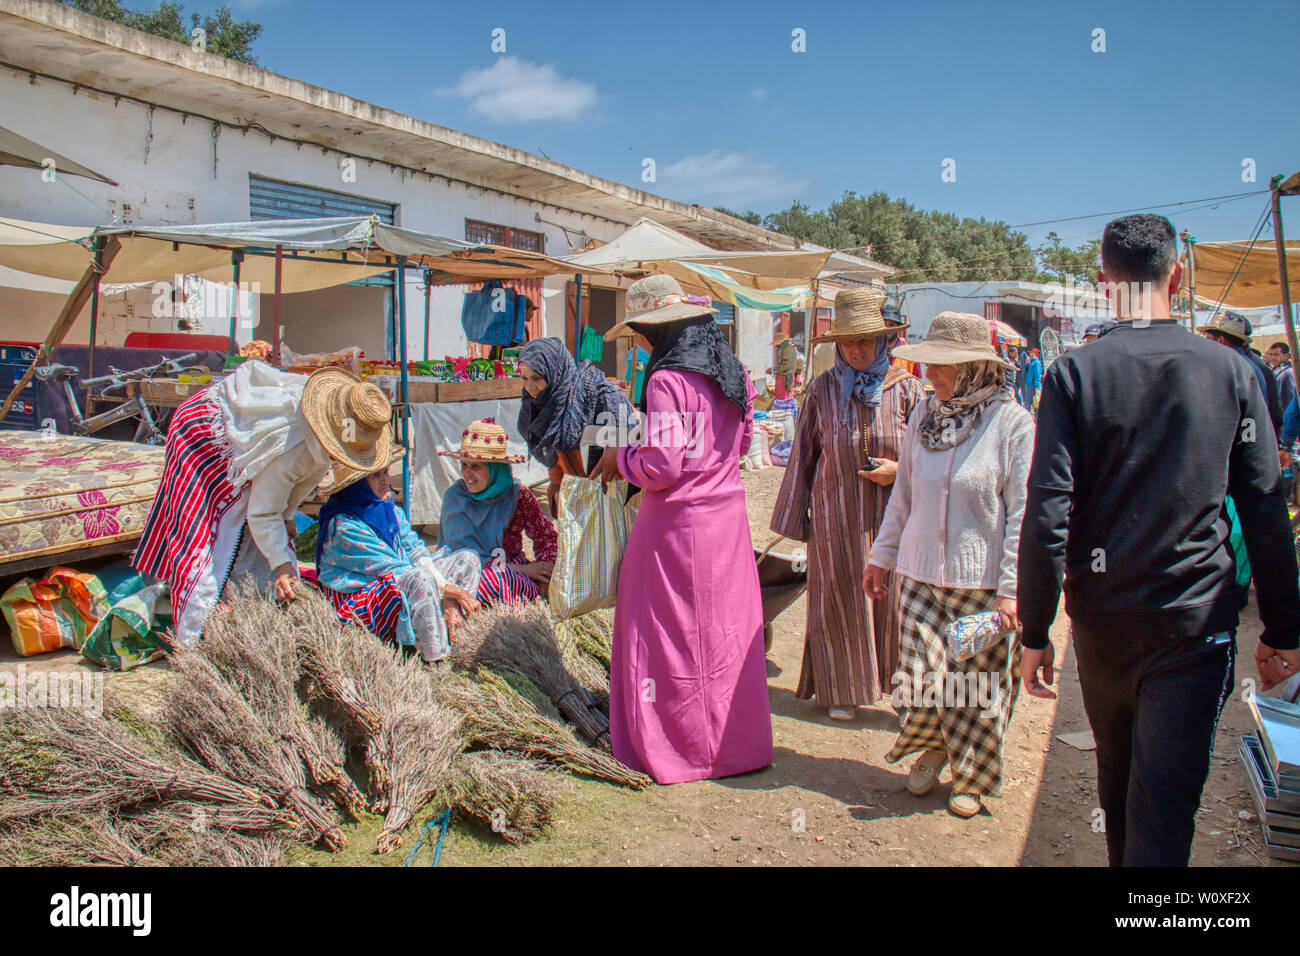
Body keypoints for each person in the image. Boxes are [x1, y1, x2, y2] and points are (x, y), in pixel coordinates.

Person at [1018, 213, 1300, 867]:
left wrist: (1036, 632)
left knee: (1118, 785)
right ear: (1176, 276)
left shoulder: (1072, 376)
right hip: (1195, 628)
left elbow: (1046, 513)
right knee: (1164, 808)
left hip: (1103, 623)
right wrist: (1283, 630)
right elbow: (1264, 508)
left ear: (1103, 283)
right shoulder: (1234, 375)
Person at [591, 274, 772, 784]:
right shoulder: (734, 371)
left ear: (657, 330)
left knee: (667, 636)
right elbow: (740, 448)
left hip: (673, 527)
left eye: (643, 334)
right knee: (724, 637)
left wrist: (622, 455)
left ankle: (681, 749)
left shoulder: (667, 380)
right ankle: (735, 747)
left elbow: (664, 465)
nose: (642, 343)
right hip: (728, 524)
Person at [863, 312, 1033, 819]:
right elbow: (904, 494)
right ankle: (935, 747)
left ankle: (971, 776)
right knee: (920, 677)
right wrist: (882, 556)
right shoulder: (925, 416)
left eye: (944, 367)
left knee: (975, 685)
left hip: (980, 587)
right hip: (918, 577)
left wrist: (1012, 589)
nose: (930, 375)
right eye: (930, 364)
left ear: (977, 367)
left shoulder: (1013, 424)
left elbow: (1024, 512)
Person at [134, 361, 392, 644]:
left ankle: (237, 601)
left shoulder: (328, 439)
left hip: (271, 453)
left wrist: (289, 514)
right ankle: (196, 626)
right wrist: (282, 565)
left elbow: (306, 478)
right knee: (206, 532)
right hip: (202, 430)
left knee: (260, 536)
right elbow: (262, 512)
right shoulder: (290, 448)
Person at [771, 288, 923, 721]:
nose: (856, 350)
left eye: (866, 340)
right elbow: (802, 454)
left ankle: (903, 691)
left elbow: (929, 457)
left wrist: (901, 470)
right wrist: (794, 519)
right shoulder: (821, 390)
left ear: (884, 342)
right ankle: (842, 688)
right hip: (836, 517)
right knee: (838, 595)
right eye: (848, 341)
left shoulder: (909, 390)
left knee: (896, 602)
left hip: (896, 519)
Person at [315, 450, 481, 662]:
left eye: (386, 472)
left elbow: (415, 549)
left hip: (404, 581)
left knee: (468, 558)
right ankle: (435, 660)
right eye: (377, 475)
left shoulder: (389, 510)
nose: (387, 480)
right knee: (420, 579)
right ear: (356, 485)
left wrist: (450, 601)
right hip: (362, 602)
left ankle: (454, 626)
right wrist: (452, 592)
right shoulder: (344, 527)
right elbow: (397, 571)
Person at [436, 418, 558, 605]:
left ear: (495, 469)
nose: (467, 474)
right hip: (466, 574)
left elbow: (546, 536)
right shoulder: (456, 499)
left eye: (476, 466)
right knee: (491, 585)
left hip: (512, 571)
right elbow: (463, 559)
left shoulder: (517, 496)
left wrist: (546, 573)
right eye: (464, 465)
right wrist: (524, 571)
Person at [517, 337, 635, 517]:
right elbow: (553, 452)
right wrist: (557, 489)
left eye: (536, 378)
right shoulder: (542, 403)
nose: (530, 387)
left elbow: (629, 439)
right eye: (524, 378)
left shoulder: (597, 395)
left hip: (612, 494)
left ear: (554, 373)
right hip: (575, 499)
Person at [1198, 312, 1284, 438]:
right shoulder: (1245, 365)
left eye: (1208, 339)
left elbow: (1251, 418)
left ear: (1220, 340)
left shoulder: (1237, 368)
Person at [769, 331, 797, 399]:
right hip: (785, 376)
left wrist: (773, 370)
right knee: (784, 397)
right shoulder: (786, 348)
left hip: (785, 378)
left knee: (783, 398)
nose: (776, 346)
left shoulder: (787, 349)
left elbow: (786, 366)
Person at [1021, 348, 1043, 412]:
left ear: (1034, 354)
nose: (1029, 355)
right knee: (1028, 403)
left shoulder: (1036, 363)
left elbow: (1037, 376)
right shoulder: (1032, 362)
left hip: (1033, 386)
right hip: (1029, 385)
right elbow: (1025, 372)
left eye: (1030, 353)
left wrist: (1037, 388)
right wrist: (1026, 365)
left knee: (1034, 404)